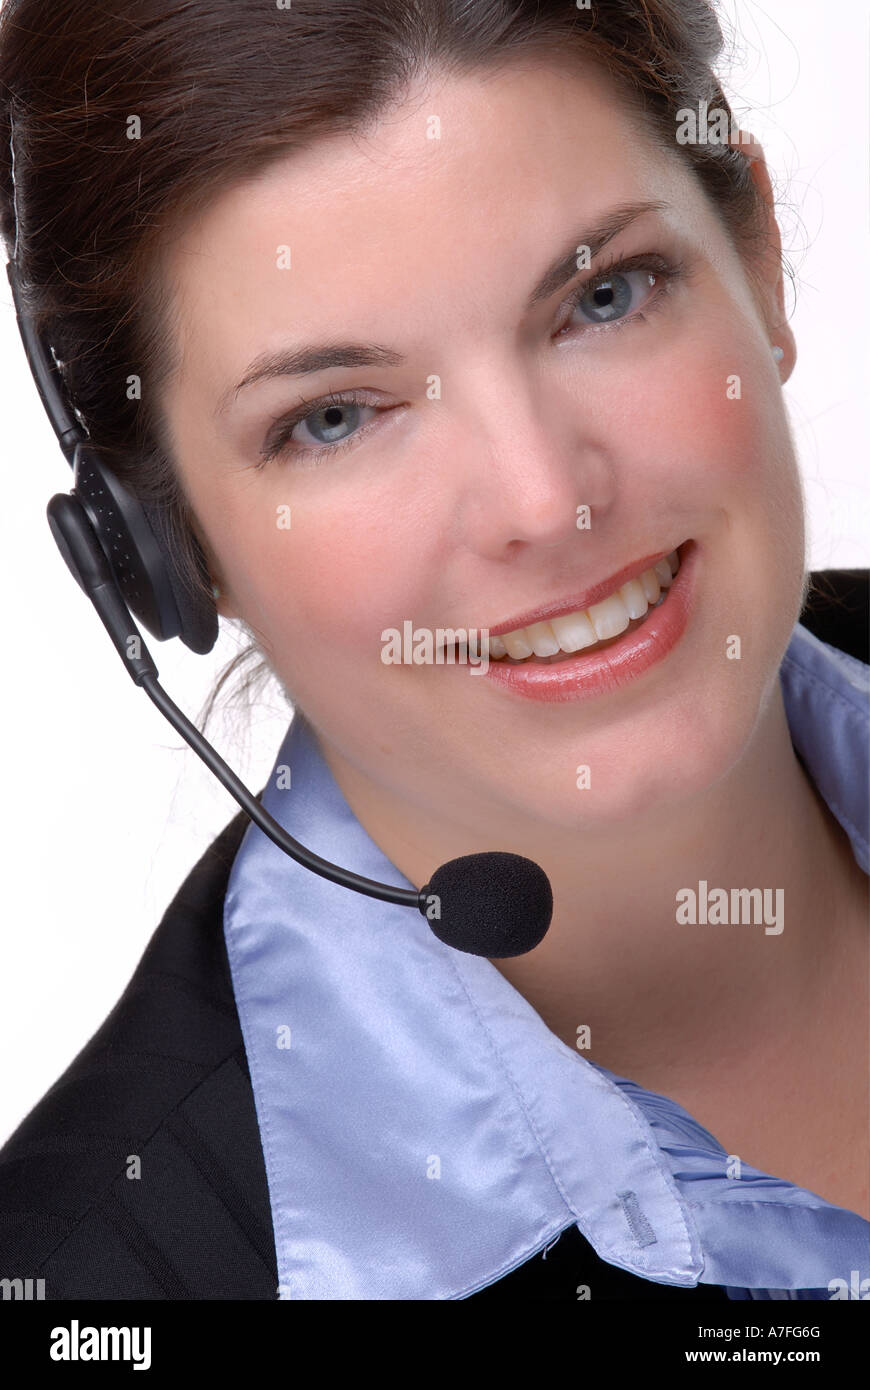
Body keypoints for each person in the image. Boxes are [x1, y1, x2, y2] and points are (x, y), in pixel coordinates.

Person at [0, 0, 867, 1301]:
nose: (539, 500)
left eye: (601, 297)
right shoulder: (99, 1283)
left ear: (755, 259)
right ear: (167, 546)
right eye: (338, 417)